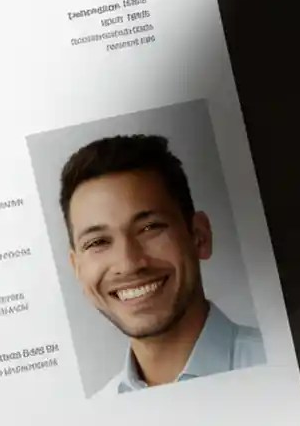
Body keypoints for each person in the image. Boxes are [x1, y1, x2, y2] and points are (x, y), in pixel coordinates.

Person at [59, 133, 265, 397]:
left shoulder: (283, 365)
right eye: (98, 242)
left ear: (199, 237)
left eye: (149, 228)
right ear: (77, 268)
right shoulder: (96, 414)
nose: (129, 264)